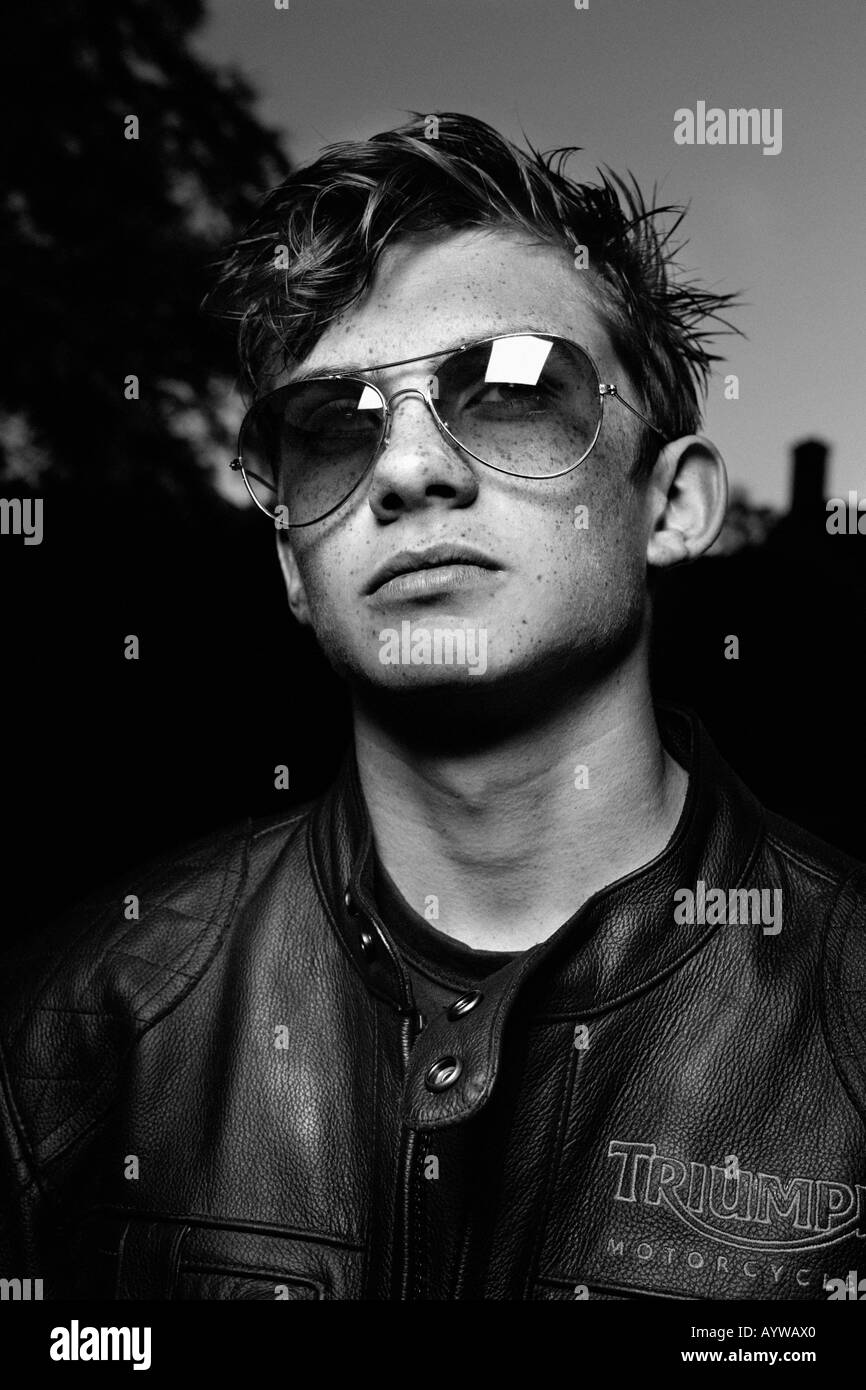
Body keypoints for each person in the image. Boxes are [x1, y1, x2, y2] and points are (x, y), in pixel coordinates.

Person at [2, 112, 864, 1303]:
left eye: (512, 390)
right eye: (333, 426)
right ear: (293, 566)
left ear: (671, 505)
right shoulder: (77, 1025)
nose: (407, 467)